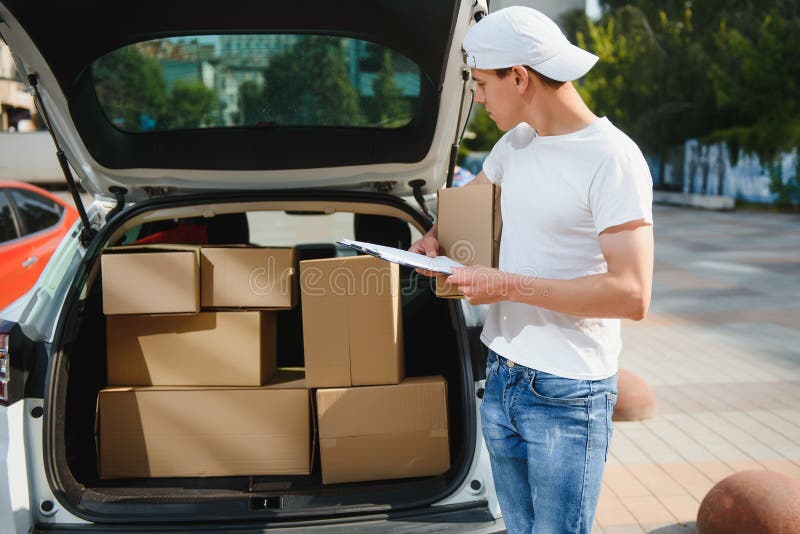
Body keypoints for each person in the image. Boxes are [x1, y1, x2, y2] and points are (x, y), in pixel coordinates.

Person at [409, 6, 654, 533]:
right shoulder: (514, 145)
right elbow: (465, 206)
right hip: (503, 374)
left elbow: (631, 294)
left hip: (568, 393)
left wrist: (505, 284)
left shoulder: (612, 159)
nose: (476, 97)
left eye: (480, 83)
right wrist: (434, 236)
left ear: (519, 77)